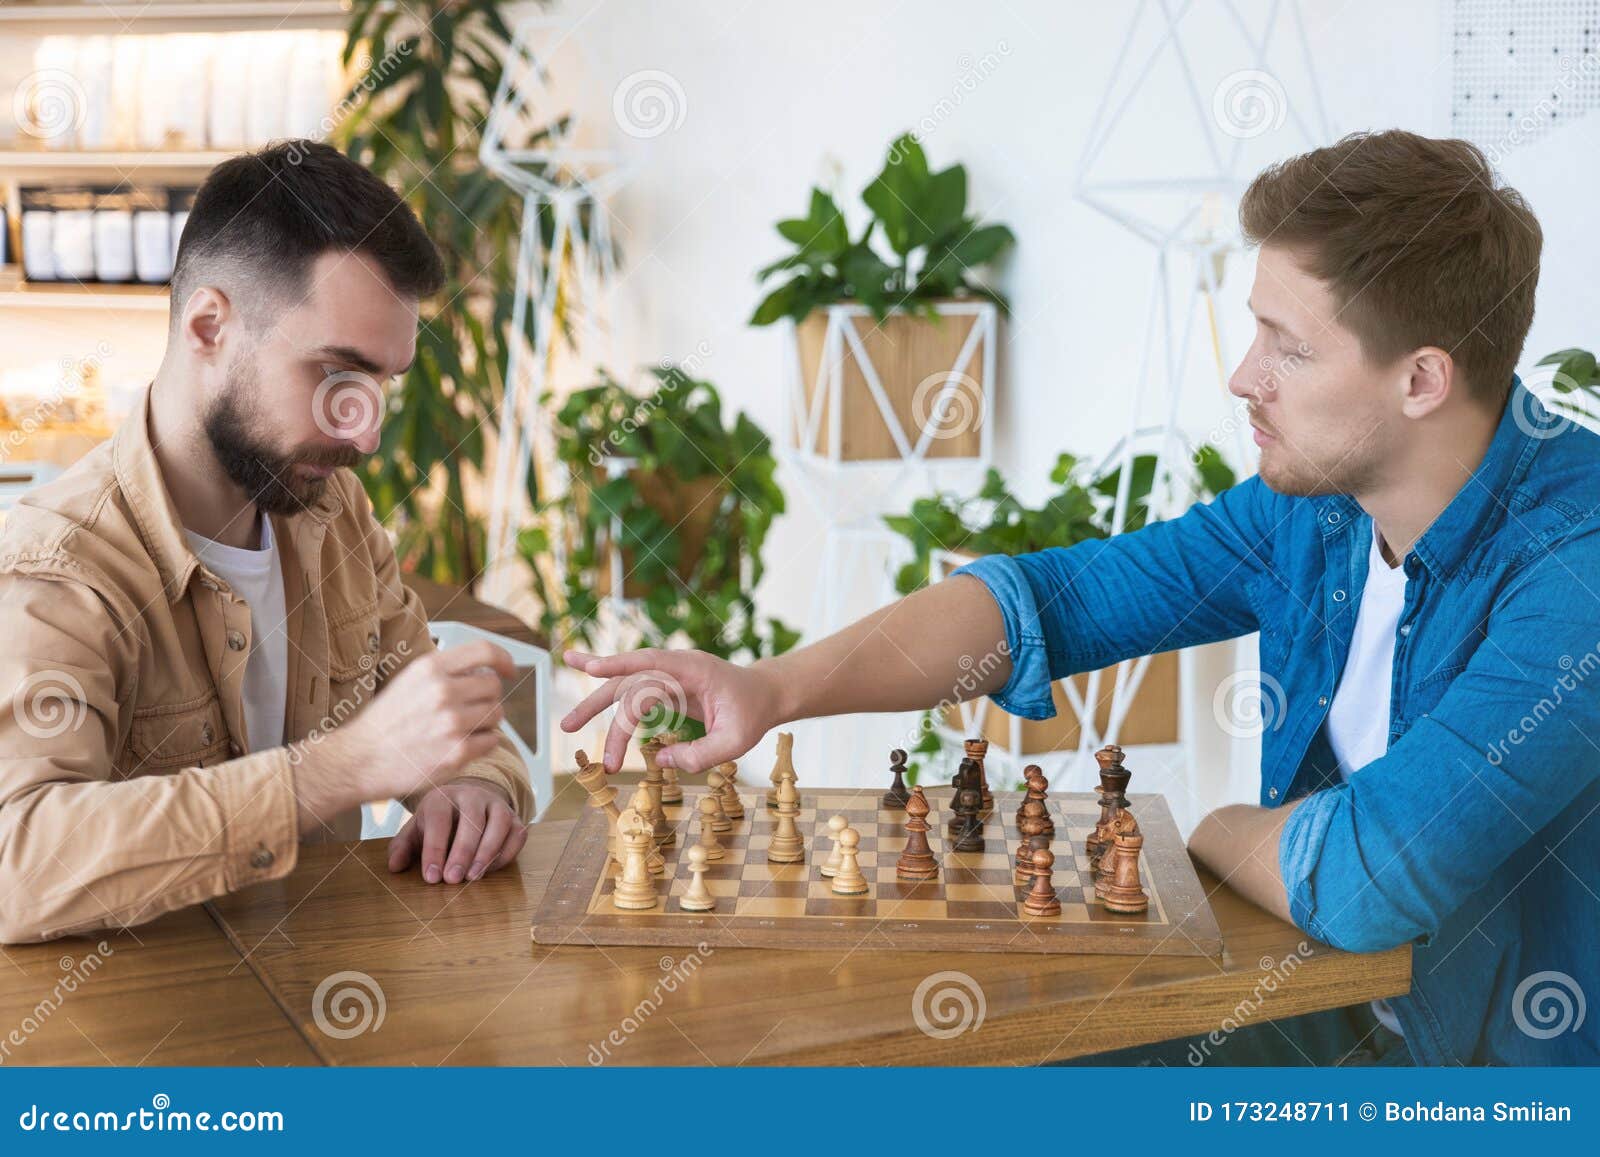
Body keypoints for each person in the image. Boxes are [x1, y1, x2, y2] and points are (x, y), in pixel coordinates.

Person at [562, 130, 1599, 1066]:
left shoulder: (1577, 564)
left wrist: (1215, 829)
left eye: (1288, 348)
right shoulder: (1314, 510)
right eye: (1254, 332)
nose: (1243, 377)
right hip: (1322, 1009)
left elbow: (1375, 877)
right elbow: (1052, 600)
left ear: (1421, 380)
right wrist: (772, 686)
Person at [0, 141, 533, 944]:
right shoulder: (57, 567)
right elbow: (19, 865)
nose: (367, 432)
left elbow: (445, 724)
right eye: (333, 374)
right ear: (209, 326)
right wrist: (341, 768)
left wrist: (473, 788)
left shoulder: (335, 512)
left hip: (326, 1011)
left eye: (381, 385)